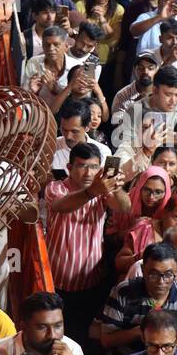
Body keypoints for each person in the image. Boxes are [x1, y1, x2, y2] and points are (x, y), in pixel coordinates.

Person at [44, 142, 130, 338]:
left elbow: (124, 207)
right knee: (54, 331)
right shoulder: (56, 188)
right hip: (56, 280)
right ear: (69, 168)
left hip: (90, 279)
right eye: (82, 166)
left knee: (81, 331)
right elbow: (61, 206)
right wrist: (93, 191)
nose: (88, 173)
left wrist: (115, 187)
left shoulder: (102, 192)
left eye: (93, 167)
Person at [99, 242, 177, 355]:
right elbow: (106, 340)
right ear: (143, 270)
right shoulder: (123, 292)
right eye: (154, 274)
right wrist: (141, 332)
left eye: (168, 275)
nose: (161, 282)